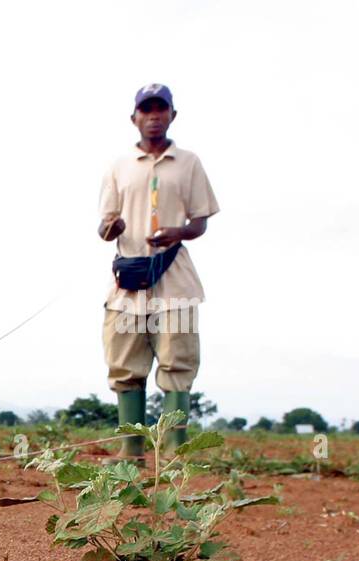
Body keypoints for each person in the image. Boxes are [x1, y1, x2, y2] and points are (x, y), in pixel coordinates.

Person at [98, 83, 219, 461]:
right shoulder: (119, 166)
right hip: (128, 282)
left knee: (177, 361)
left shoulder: (189, 163)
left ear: (172, 115)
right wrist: (112, 229)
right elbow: (103, 226)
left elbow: (200, 221)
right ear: (134, 118)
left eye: (160, 110)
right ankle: (130, 453)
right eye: (146, 111)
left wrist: (177, 232)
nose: (153, 117)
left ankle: (173, 456)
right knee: (124, 363)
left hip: (175, 278)